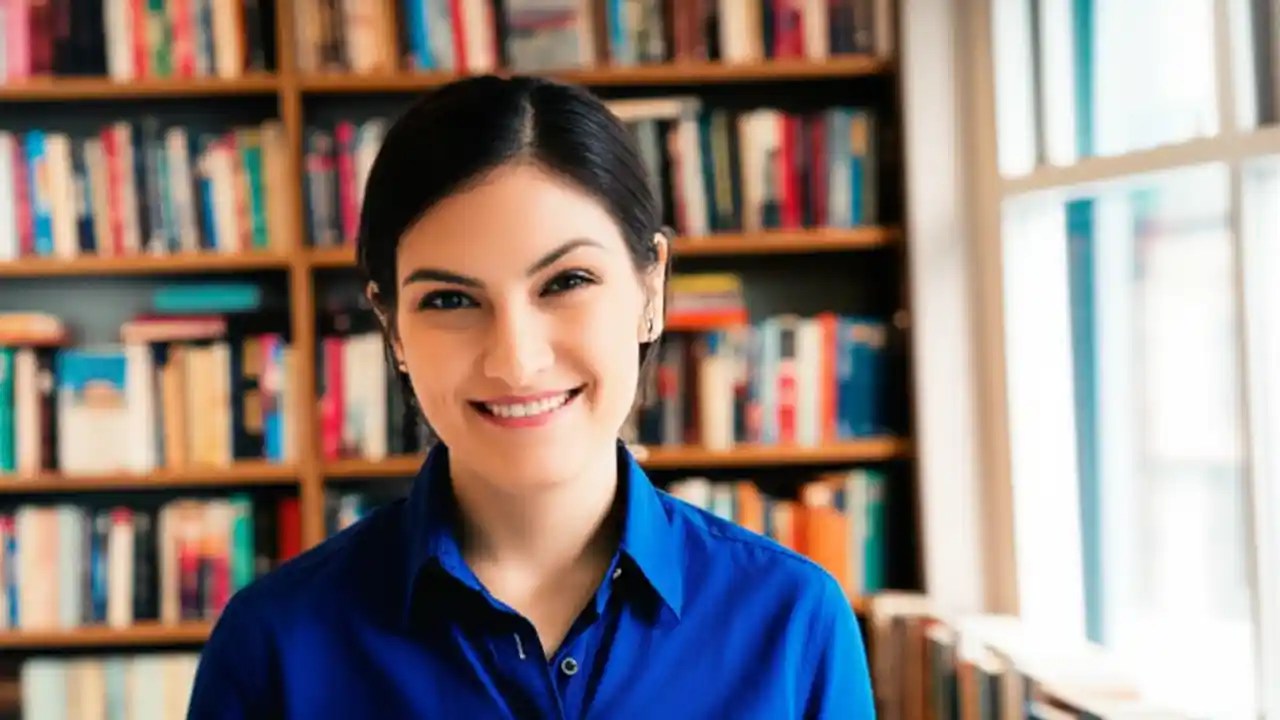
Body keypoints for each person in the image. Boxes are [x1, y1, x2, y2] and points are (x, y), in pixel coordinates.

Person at [186, 74, 875, 719]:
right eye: (451, 299)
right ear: (392, 326)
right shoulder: (272, 647)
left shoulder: (793, 623)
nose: (516, 360)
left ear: (651, 290)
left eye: (567, 281)